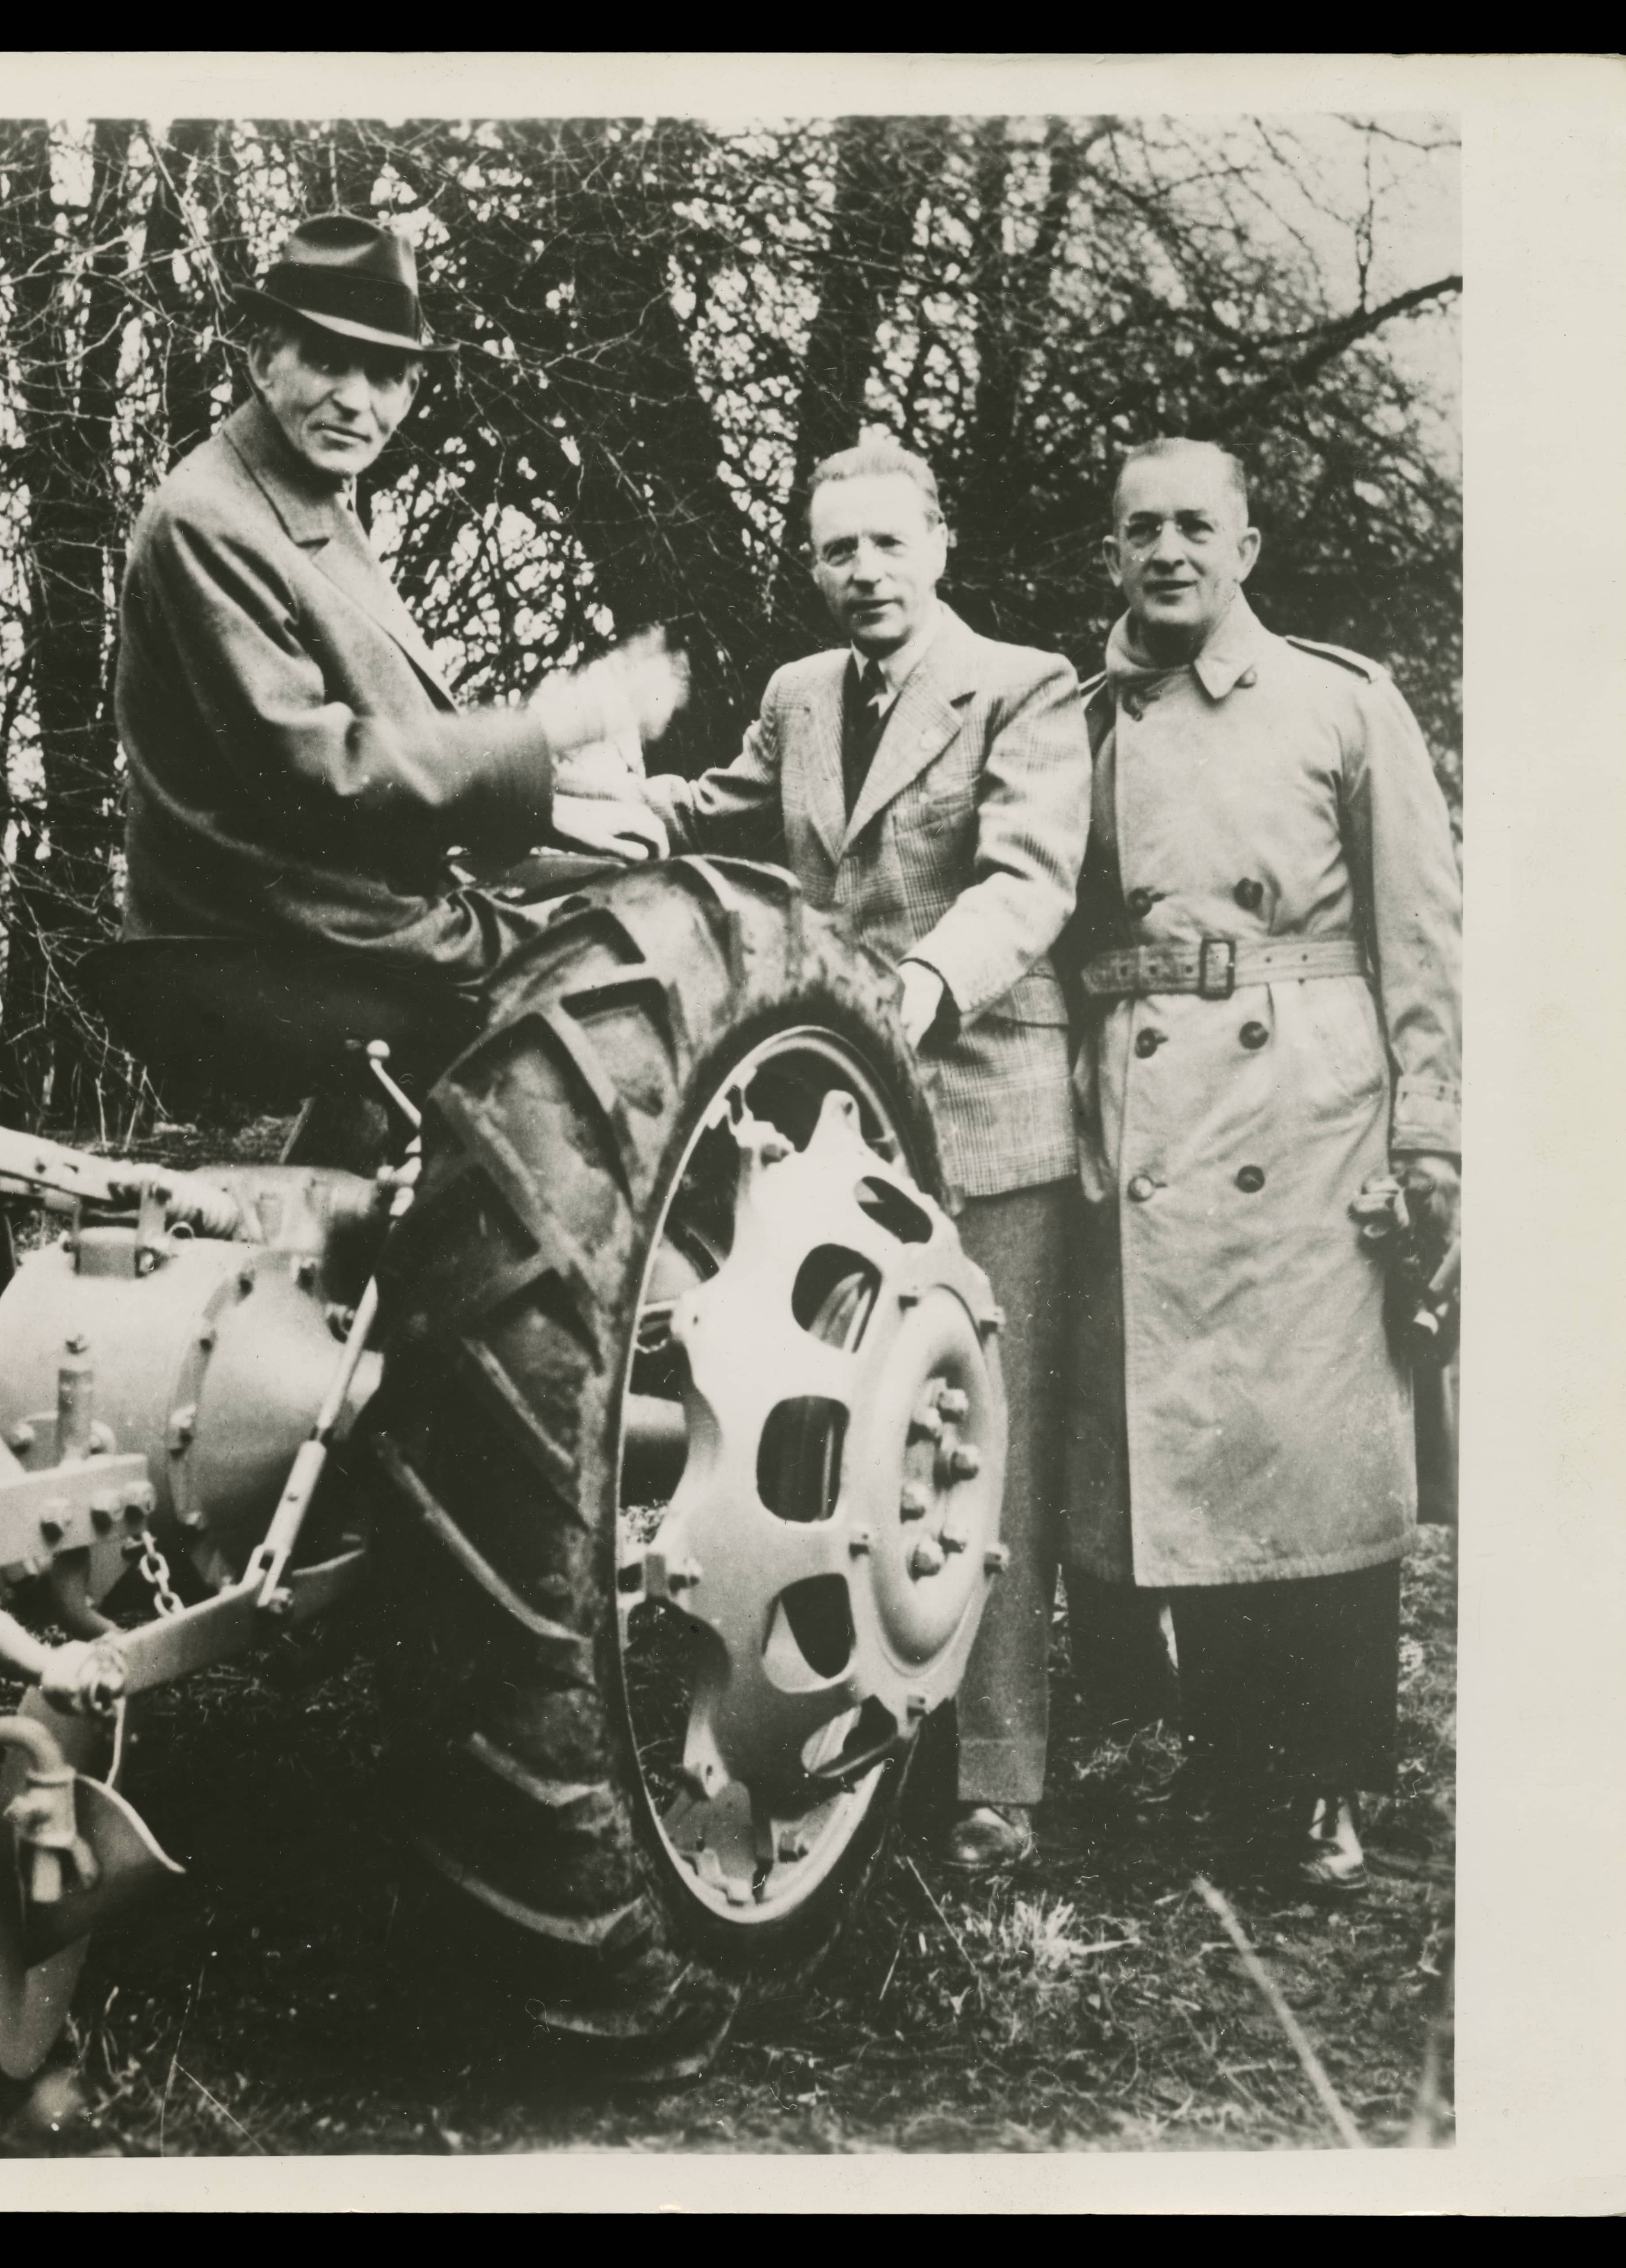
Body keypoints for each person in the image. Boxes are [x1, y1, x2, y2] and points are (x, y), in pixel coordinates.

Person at [637, 437, 1092, 1875]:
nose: (862, 577)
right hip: (830, 1136)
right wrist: (614, 806)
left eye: (887, 547)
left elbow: (1029, 880)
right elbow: (724, 813)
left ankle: (997, 1785)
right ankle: (851, 1751)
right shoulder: (793, 698)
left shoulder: (1021, 687)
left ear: (936, 548)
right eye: (837, 552)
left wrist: (925, 985)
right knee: (839, 1440)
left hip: (983, 1106)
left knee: (974, 1445)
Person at [1063, 437, 1462, 1894]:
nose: (1164, 551)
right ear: (1109, 556)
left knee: (1307, 1452)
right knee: (1195, 1444)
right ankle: (1228, 1772)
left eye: (1192, 526)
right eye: (1136, 530)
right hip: (1140, 1100)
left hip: (1305, 1111)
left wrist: (1427, 1135)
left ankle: (1320, 1789)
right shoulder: (1074, 719)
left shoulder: (1338, 704)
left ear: (1245, 545)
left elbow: (1421, 933)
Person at [115, 212, 682, 984]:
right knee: (639, 958)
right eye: (327, 362)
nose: (355, 401)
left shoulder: (300, 501)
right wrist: (545, 738)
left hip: (342, 905)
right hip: (282, 934)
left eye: (384, 374)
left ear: (412, 390)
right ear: (263, 360)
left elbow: (391, 748)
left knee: (654, 899)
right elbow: (318, 771)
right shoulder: (208, 519)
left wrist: (550, 788)